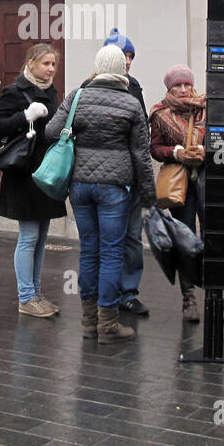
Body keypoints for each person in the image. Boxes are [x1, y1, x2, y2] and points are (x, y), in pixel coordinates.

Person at [47, 44, 156, 341]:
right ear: (122, 69)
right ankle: (108, 323)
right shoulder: (131, 104)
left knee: (89, 250)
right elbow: (141, 155)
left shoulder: (78, 96)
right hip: (114, 189)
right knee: (111, 252)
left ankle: (88, 323)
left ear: (97, 67)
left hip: (79, 186)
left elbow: (50, 131)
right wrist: (148, 194)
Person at [0, 43, 66, 318]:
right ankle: (25, 296)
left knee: (42, 236)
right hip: (24, 174)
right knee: (29, 236)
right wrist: (25, 116)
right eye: (46, 64)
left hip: (45, 174)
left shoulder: (52, 93)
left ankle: (35, 292)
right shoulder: (15, 92)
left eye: (53, 65)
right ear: (32, 63)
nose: (51, 70)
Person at [98, 29, 150, 318]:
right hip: (105, 180)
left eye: (130, 56)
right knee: (107, 239)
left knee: (131, 237)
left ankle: (128, 293)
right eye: (123, 55)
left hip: (130, 177)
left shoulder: (135, 87)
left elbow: (142, 131)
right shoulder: (89, 87)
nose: (127, 61)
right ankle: (105, 294)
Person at [148, 64, 206, 322]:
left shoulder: (206, 108)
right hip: (179, 182)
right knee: (185, 238)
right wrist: (176, 152)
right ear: (169, 88)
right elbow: (155, 148)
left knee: (212, 237)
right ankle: (189, 299)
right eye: (177, 86)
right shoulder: (160, 113)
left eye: (186, 84)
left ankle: (216, 297)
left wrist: (206, 153)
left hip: (206, 180)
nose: (183, 90)